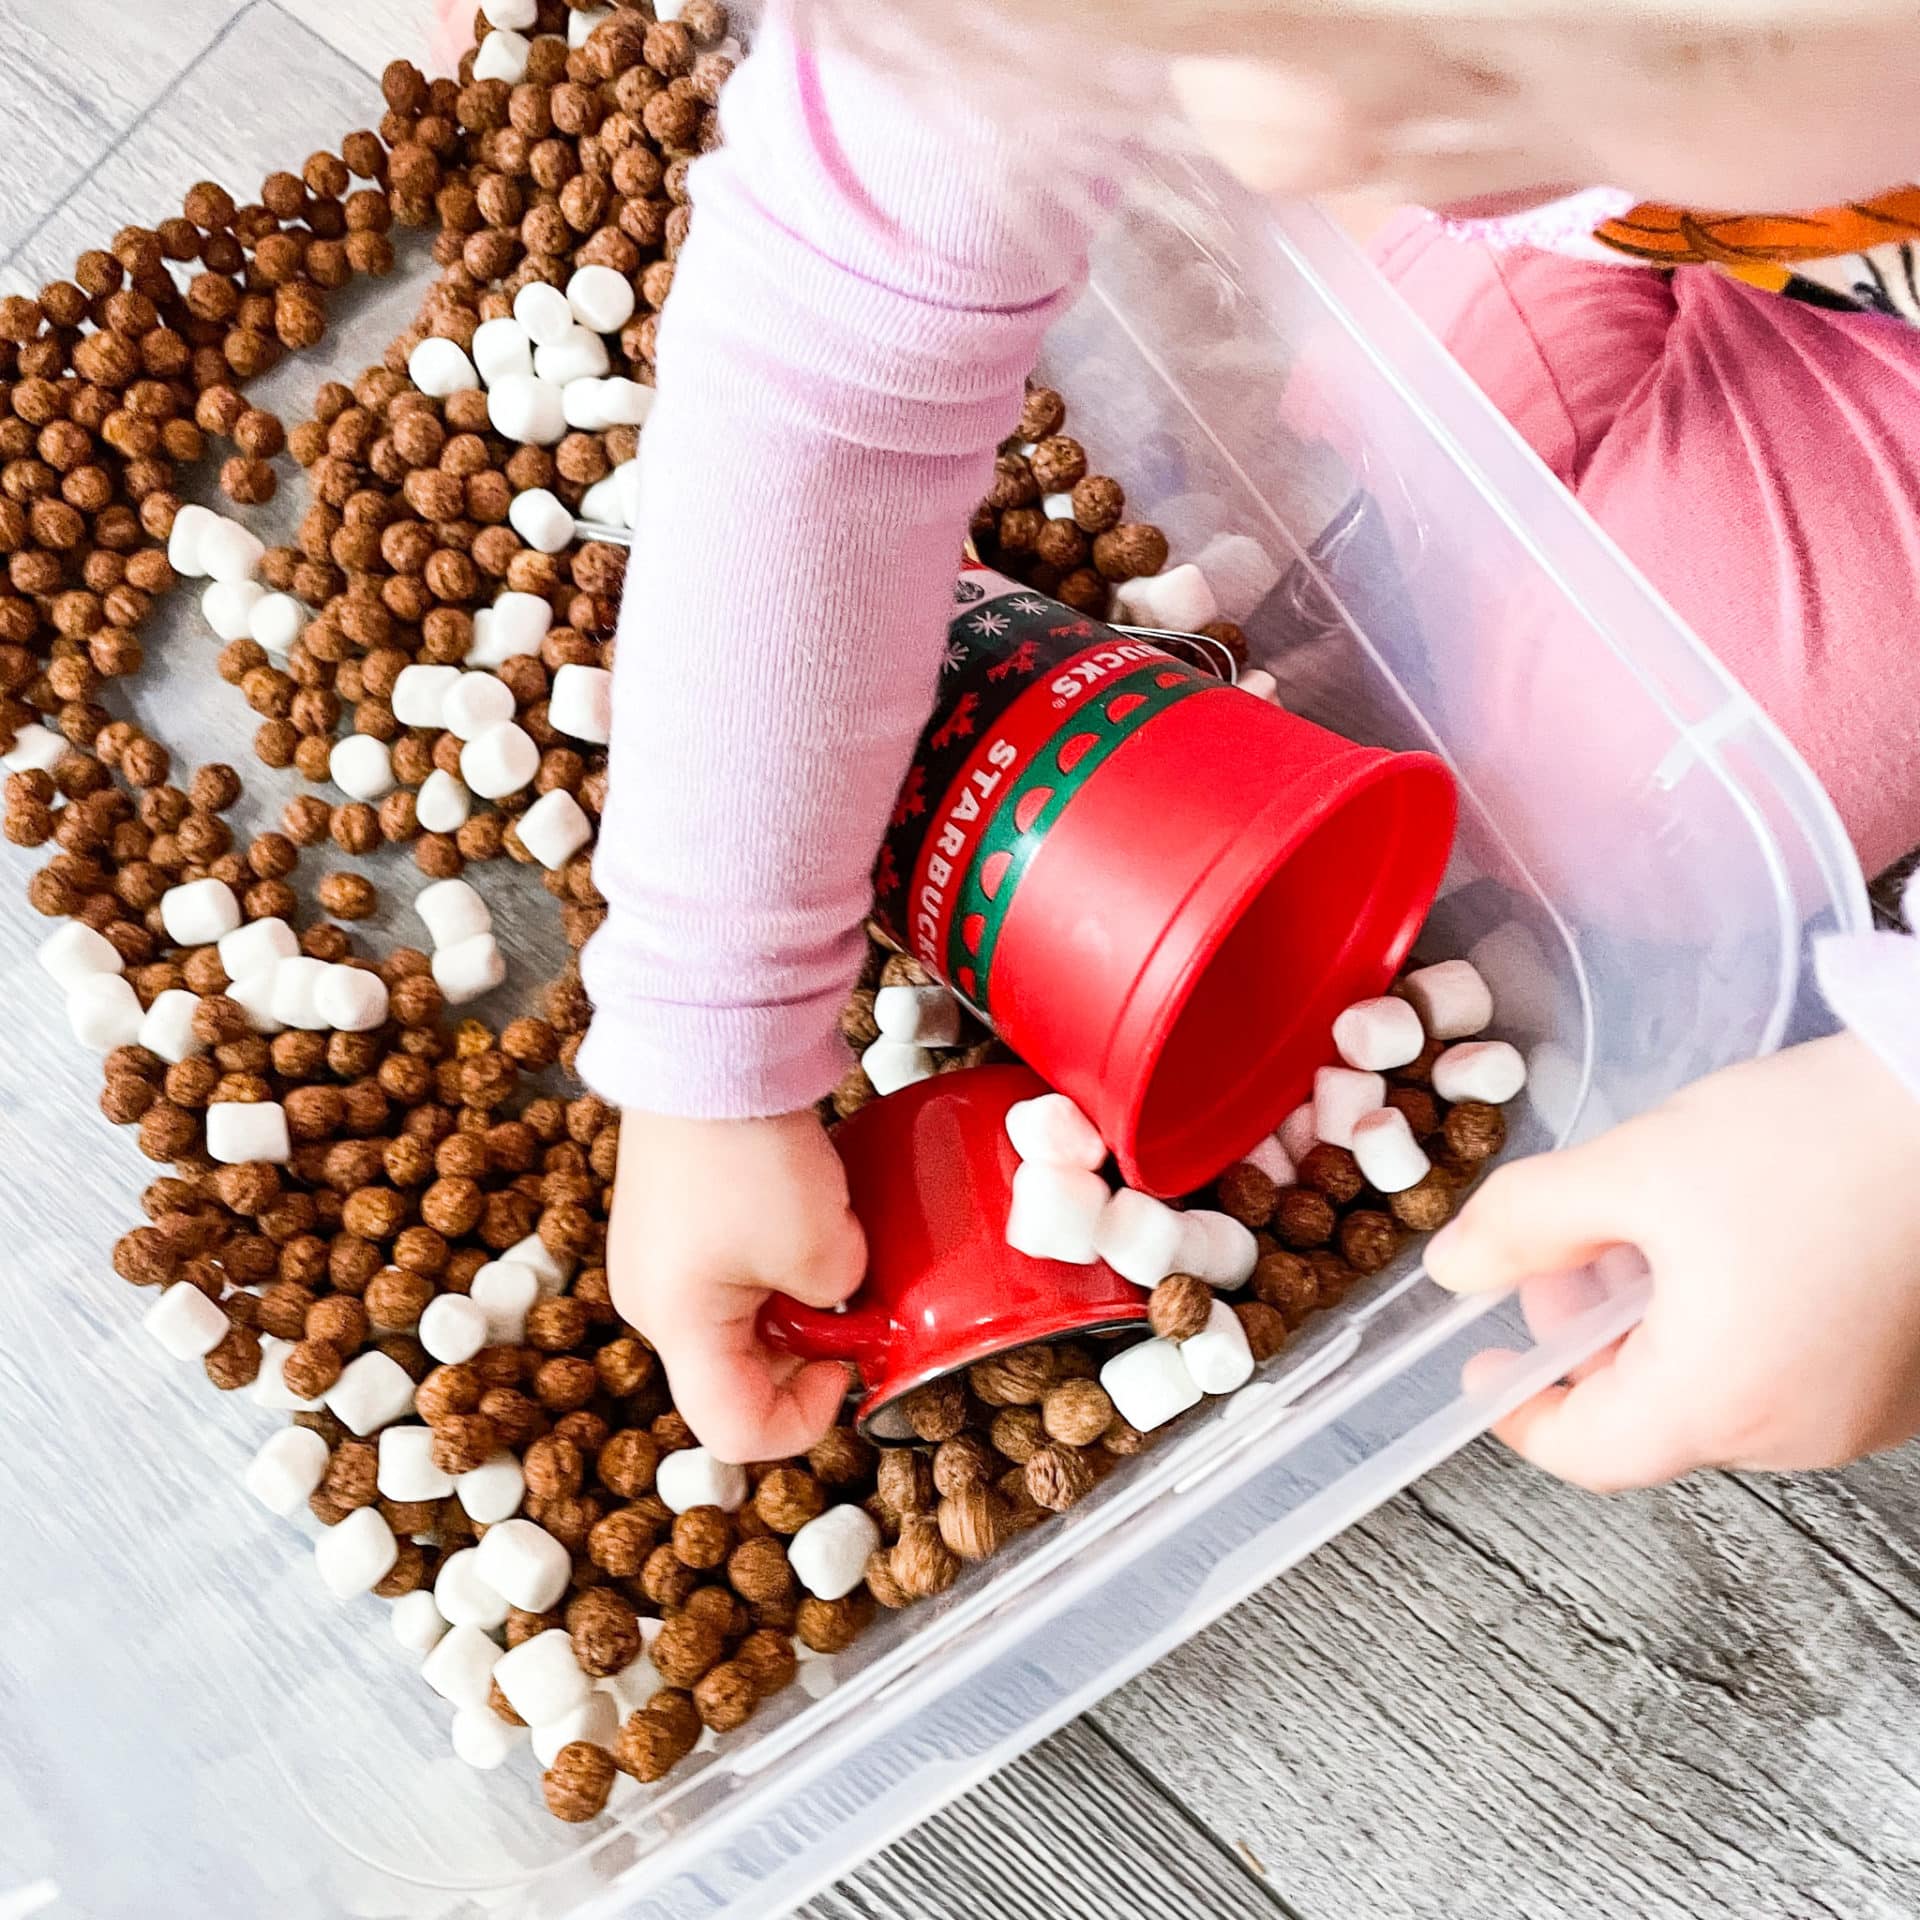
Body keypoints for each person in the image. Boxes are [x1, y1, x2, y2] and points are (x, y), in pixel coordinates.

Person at [443, 1, 1920, 1483]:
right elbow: (826, 376)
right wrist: (713, 1048)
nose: (1286, 138)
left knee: (1669, 775)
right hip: (1725, 212)